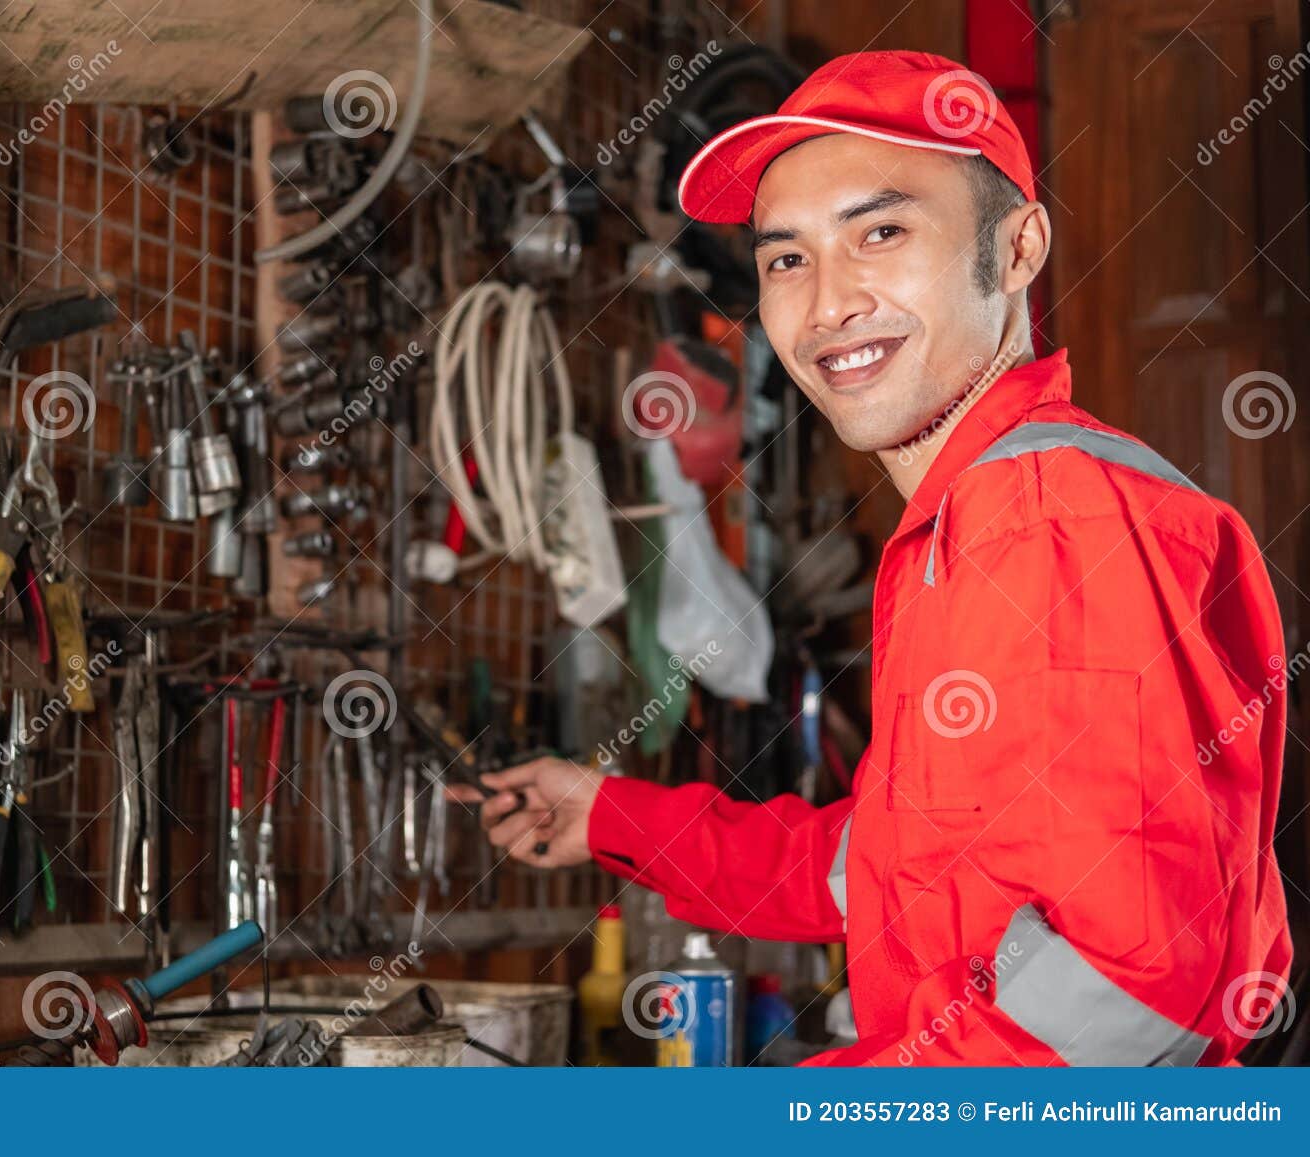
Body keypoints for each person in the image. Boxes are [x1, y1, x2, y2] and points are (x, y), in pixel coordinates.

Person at [453, 51, 1292, 1065]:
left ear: (1018, 246)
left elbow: (1123, 985)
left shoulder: (1049, 517)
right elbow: (887, 865)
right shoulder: (960, 522)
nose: (827, 304)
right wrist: (616, 817)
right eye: (785, 259)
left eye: (880, 233)